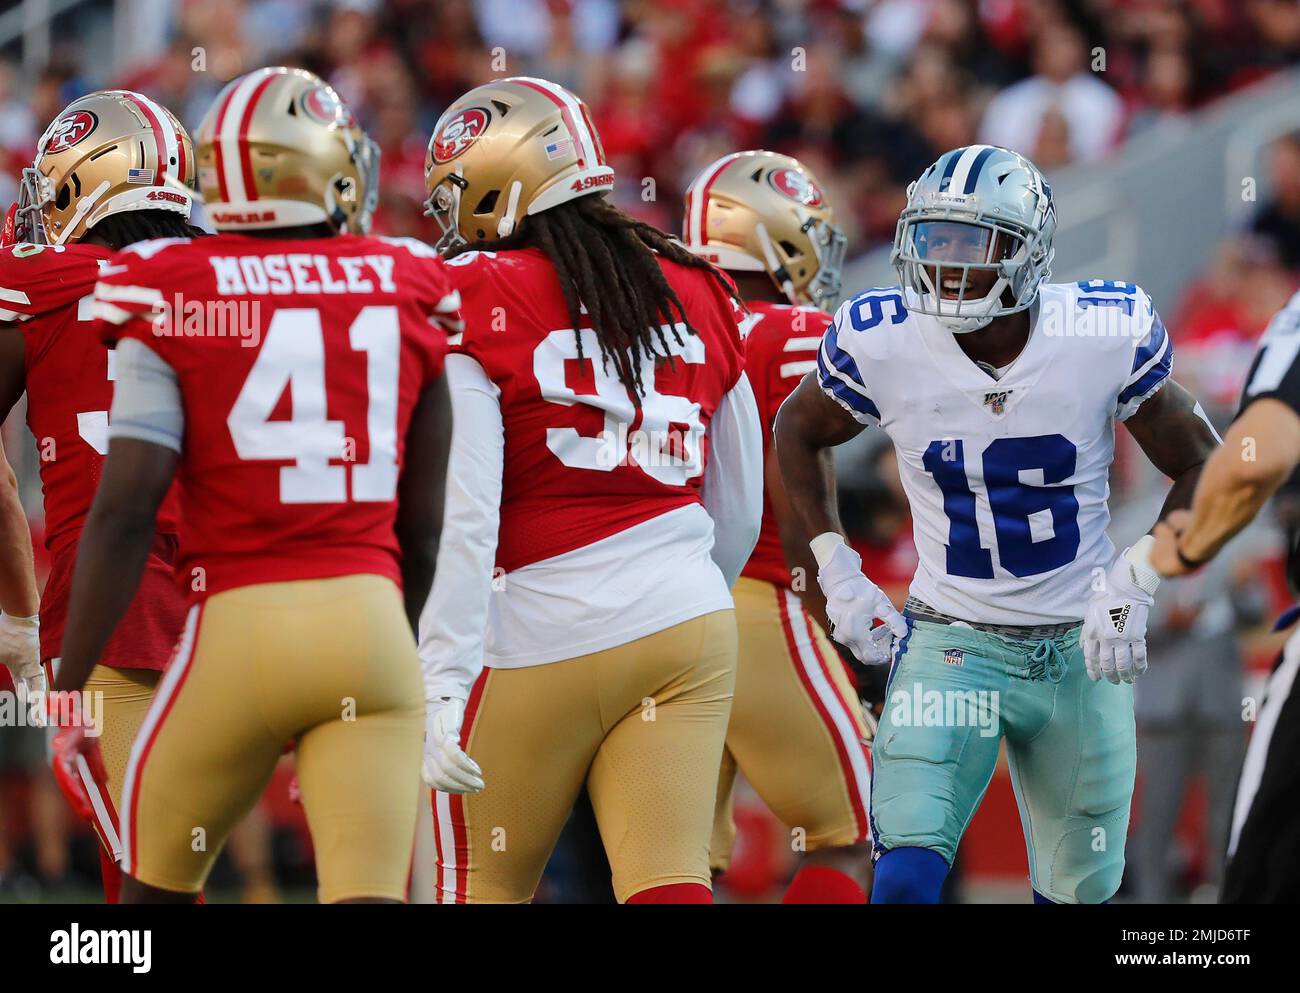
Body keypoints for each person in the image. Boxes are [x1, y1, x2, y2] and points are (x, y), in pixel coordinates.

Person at [53, 66, 459, 904]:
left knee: (149, 898)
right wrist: (397, 637)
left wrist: (68, 682)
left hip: (235, 627)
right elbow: (424, 529)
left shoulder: (168, 284)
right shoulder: (406, 278)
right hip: (369, 624)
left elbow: (124, 514)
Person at [775, 144, 1219, 904]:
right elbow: (796, 431)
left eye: (970, 243)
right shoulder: (882, 337)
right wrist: (833, 573)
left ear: (1027, 252)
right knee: (905, 880)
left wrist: (1136, 576)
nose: (945, 265)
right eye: (933, 239)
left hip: (1082, 646)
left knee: (1076, 894)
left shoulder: (1098, 334)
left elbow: (1205, 464)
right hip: (952, 638)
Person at [418, 76, 763, 904]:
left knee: (478, 883)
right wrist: (673, 588)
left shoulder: (475, 297)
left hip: (538, 623)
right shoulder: (695, 281)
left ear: (501, 183)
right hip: (687, 617)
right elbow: (742, 496)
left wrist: (441, 679)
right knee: (668, 881)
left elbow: (465, 516)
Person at [0, 89, 198, 902]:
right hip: (258, 603)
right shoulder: (231, 278)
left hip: (114, 619)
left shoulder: (38, 280)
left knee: (144, 890)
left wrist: (17, 615)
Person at [681, 149, 873, 903]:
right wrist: (848, 636)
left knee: (673, 862)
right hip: (761, 599)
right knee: (862, 831)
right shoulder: (799, 328)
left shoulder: (659, 324)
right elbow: (791, 503)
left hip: (658, 611)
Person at [1152, 286, 1300, 902]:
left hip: (1216, 695)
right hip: (1170, 702)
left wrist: (1189, 545)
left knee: (1265, 859)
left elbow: (1250, 461)